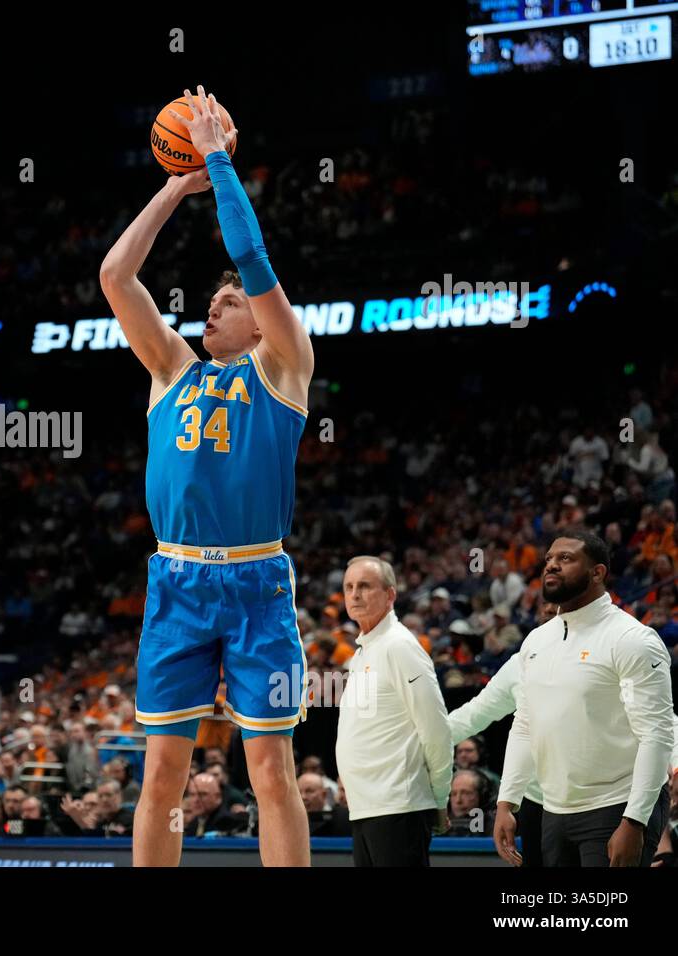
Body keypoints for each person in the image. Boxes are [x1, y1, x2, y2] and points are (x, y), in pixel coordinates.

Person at [99, 85, 313, 868]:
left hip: (259, 587)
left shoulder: (285, 366)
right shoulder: (171, 371)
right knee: (161, 774)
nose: (211, 311)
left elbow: (253, 261)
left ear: (261, 319)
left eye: (227, 303)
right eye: (213, 302)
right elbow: (117, 277)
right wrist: (174, 184)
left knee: (269, 771)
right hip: (178, 585)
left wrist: (218, 160)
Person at [496, 530, 674, 867]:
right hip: (555, 808)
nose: (551, 566)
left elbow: (657, 734)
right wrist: (507, 801)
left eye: (565, 559)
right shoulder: (535, 641)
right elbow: (525, 724)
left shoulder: (632, 639)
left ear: (598, 573)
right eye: (549, 559)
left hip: (617, 806)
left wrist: (634, 820)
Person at [337, 556, 452, 866]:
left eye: (364, 586)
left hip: (398, 808)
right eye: (349, 587)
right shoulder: (362, 652)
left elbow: (436, 730)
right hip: (366, 808)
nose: (355, 594)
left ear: (390, 595)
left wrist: (439, 799)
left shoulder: (400, 646)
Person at [448, 655, 546, 866]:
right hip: (536, 800)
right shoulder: (522, 661)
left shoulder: (605, 645)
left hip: (596, 798)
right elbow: (473, 714)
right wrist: (418, 744)